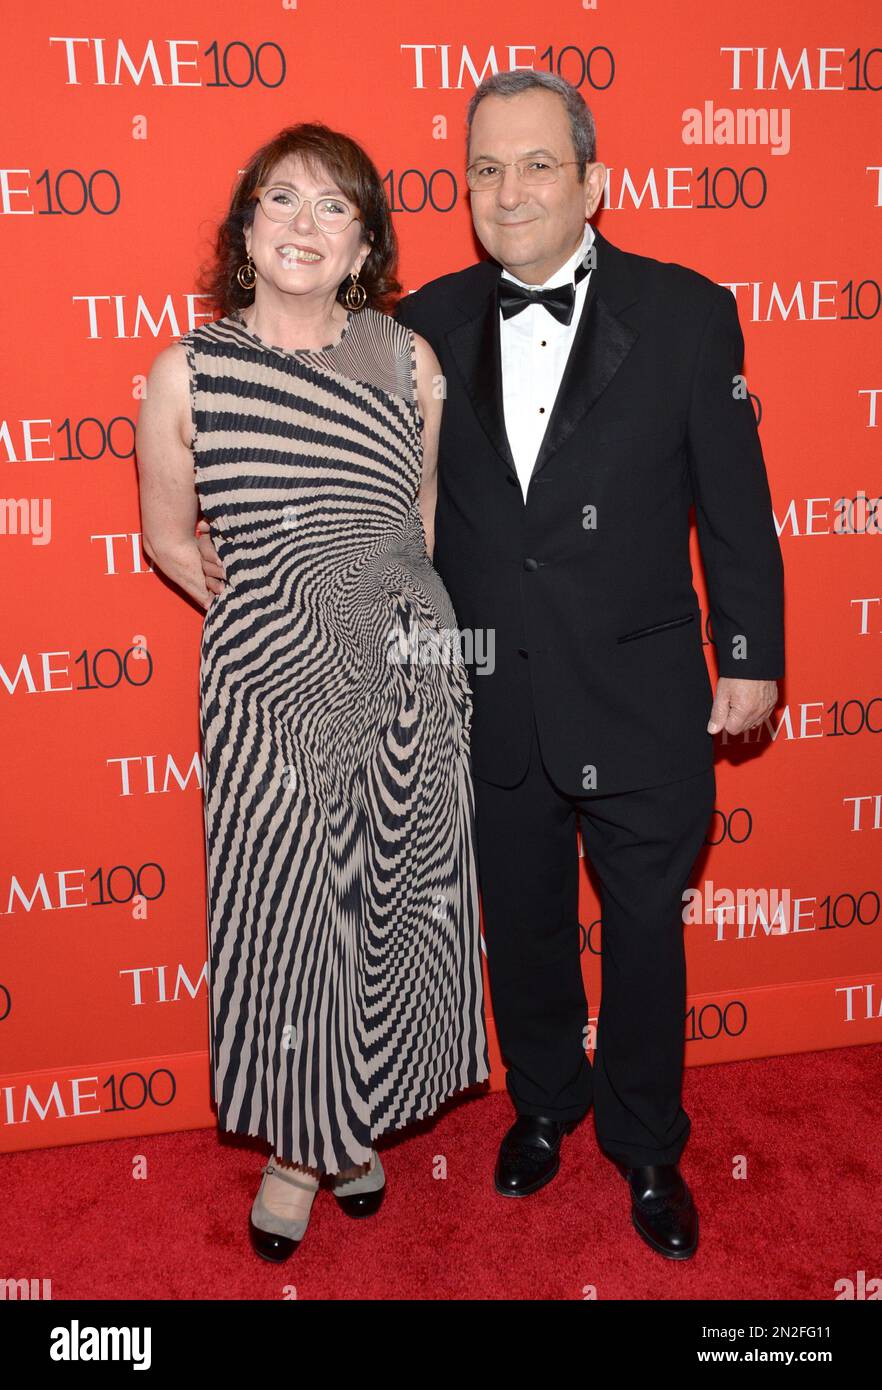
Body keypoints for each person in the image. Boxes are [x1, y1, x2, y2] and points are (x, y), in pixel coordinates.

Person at [197, 73, 785, 1262]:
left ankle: (647, 1143)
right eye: (483, 170)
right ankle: (546, 1107)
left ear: (593, 182)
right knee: (519, 928)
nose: (506, 191)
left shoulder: (688, 312)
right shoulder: (414, 329)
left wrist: (752, 653)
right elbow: (337, 477)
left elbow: (735, 504)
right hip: (480, 694)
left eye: (535, 166)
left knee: (644, 935)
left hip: (643, 692)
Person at [135, 122, 489, 1263]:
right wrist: (279, 620)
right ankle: (301, 1151)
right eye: (280, 199)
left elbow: (422, 523)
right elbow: (169, 540)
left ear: (364, 244)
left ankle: (353, 1121)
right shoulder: (187, 371)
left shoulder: (411, 361)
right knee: (290, 920)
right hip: (268, 684)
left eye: (332, 207)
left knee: (389, 908)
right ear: (246, 231)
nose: (302, 222)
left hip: (413, 676)